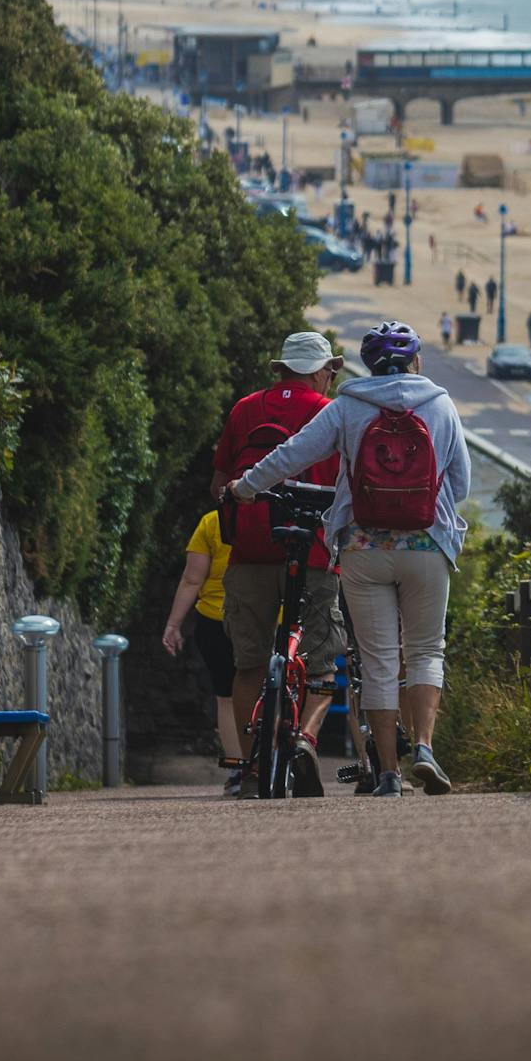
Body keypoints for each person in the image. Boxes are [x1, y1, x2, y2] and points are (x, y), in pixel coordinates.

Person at [230, 323, 469, 799]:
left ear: (366, 364)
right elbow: (459, 483)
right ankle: (423, 746)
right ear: (415, 361)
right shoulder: (441, 405)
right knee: (425, 651)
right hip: (426, 546)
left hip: (363, 549)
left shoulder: (348, 406)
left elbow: (292, 454)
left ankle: (387, 774)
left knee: (378, 661)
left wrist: (245, 487)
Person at [211, 331, 344, 796]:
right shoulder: (329, 413)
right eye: (332, 369)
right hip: (312, 554)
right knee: (322, 663)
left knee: (248, 663)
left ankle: (250, 767)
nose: (332, 378)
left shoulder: (245, 408)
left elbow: (220, 486)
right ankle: (306, 738)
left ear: (283, 367)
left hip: (248, 554)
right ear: (319, 370)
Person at [160, 508, 244, 793]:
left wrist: (173, 624)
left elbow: (192, 579)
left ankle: (237, 771)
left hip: (215, 619)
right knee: (268, 693)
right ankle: (269, 764)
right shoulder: (281, 513)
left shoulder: (213, 521)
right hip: (266, 618)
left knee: (227, 698)